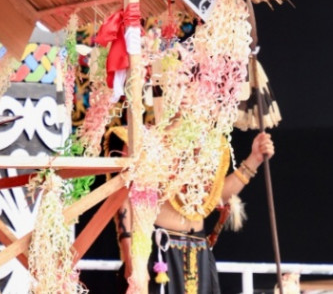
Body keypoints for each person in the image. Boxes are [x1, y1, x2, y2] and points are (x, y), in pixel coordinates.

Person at [109, 125, 276, 293]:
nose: (188, 98)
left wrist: (254, 160)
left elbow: (215, 197)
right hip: (160, 252)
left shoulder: (211, 144)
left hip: (199, 253)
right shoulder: (145, 138)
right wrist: (132, 261)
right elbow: (123, 200)